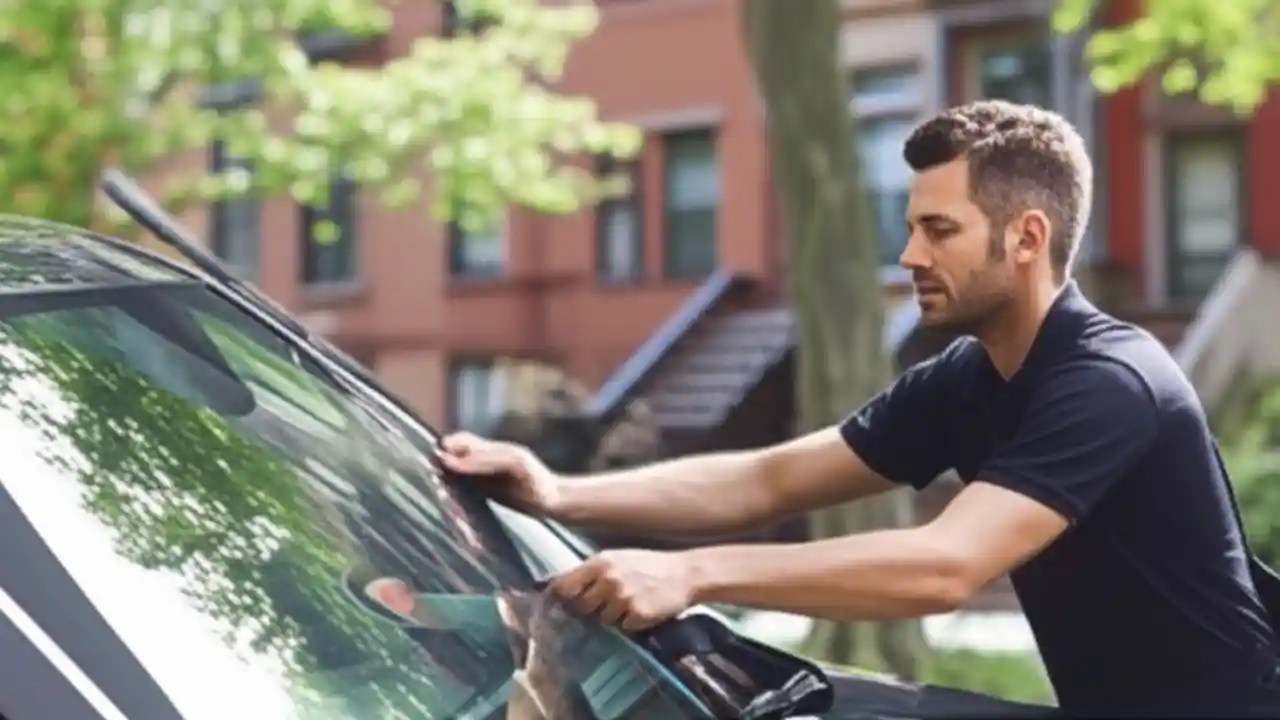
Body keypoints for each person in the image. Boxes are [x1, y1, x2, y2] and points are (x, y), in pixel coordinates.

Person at [438, 100, 1280, 717]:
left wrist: (691, 571)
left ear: (1027, 238)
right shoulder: (967, 377)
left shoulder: (1110, 380)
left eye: (939, 230)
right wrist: (560, 493)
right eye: (911, 226)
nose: (910, 254)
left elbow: (944, 566)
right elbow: (769, 480)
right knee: (743, 688)